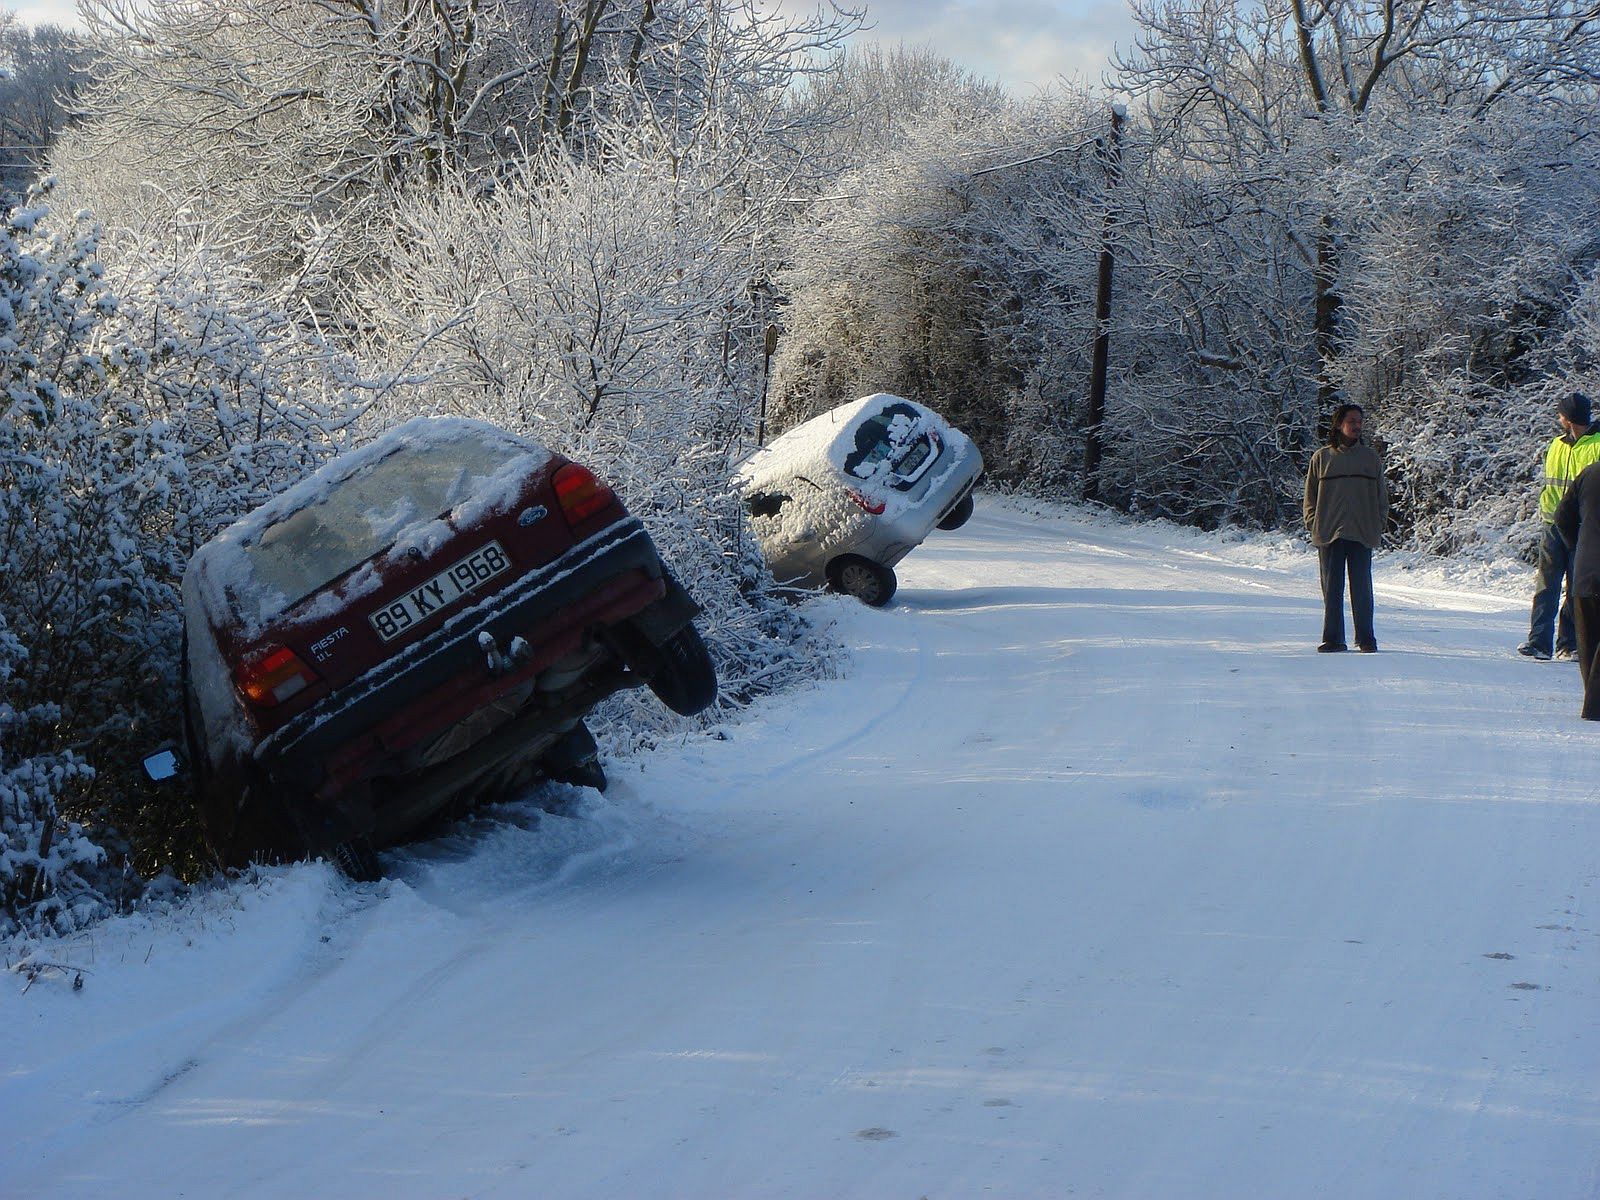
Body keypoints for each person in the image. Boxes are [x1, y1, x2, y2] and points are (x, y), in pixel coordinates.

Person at [1518, 392, 1600, 660]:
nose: (1558, 418)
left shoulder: (1597, 445)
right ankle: (1539, 642)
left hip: (1582, 527)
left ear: (1570, 419)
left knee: (1576, 587)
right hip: (1552, 523)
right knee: (1547, 583)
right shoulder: (1556, 444)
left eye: (1561, 414)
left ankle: (1570, 643)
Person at [1304, 403, 1388, 653]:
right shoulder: (1322, 457)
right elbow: (1310, 496)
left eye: (1359, 421)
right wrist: (1313, 522)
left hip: (1362, 531)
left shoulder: (1370, 458)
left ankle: (1366, 638)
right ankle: (1333, 639)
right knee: (1332, 587)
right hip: (1329, 532)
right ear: (1339, 424)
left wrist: (1379, 522)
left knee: (1362, 587)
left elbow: (1382, 496)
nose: (1356, 425)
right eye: (1351, 421)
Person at [1553, 459, 1600, 718]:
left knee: (1588, 640)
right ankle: (1594, 707)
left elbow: (1561, 517)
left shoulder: (1589, 473)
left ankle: (1592, 703)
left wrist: (1577, 546)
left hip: (1585, 570)